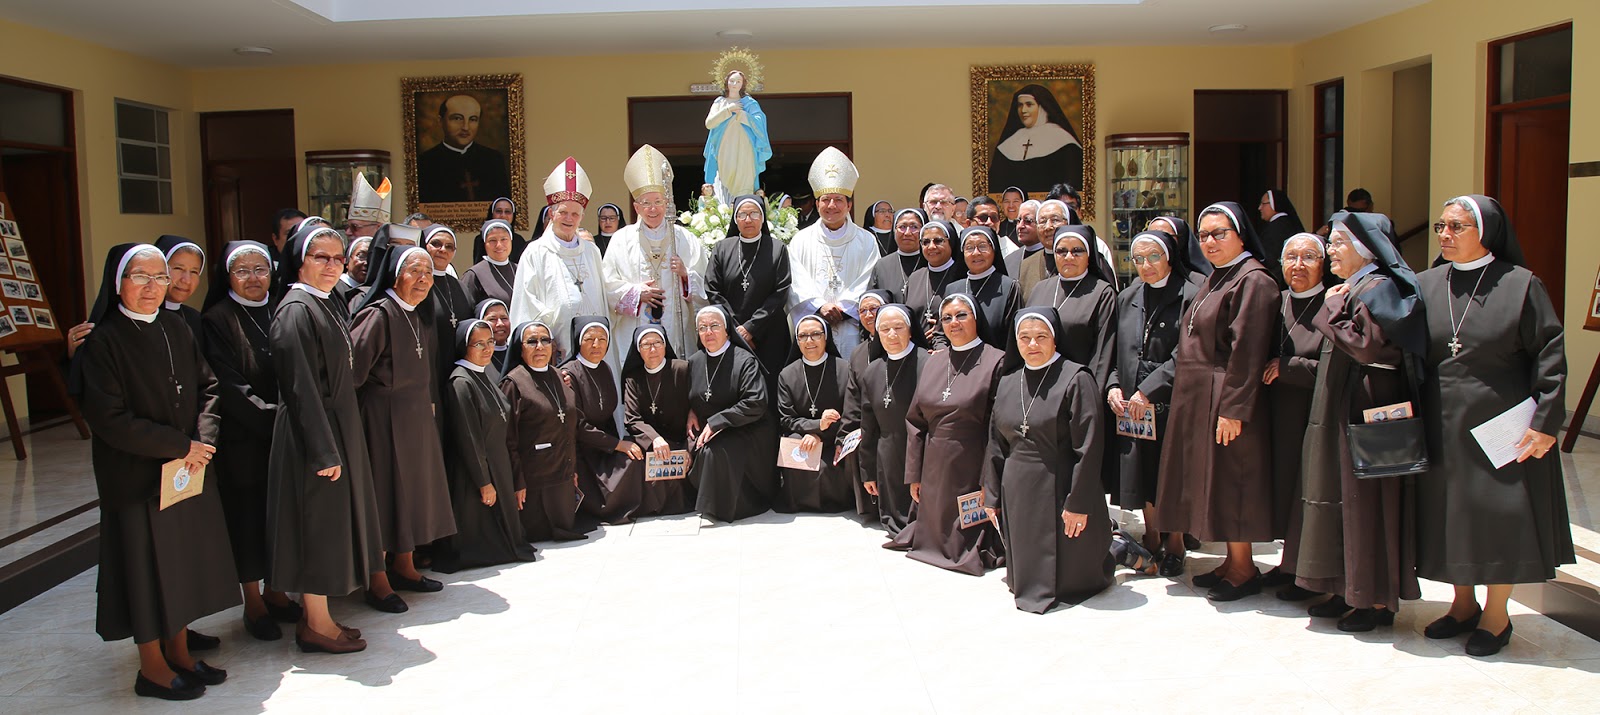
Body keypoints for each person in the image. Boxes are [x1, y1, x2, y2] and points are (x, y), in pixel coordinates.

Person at [79, 243, 239, 699]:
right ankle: (151, 666)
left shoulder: (176, 326)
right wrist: (180, 445)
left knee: (178, 563)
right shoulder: (103, 340)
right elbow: (109, 419)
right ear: (118, 283)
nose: (153, 288)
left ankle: (179, 651)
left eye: (160, 278)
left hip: (184, 471)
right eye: (140, 277)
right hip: (135, 478)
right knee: (144, 572)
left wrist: (204, 441)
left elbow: (209, 385)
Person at [1416, 195, 1572, 657]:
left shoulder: (1521, 284)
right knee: (1450, 514)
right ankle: (1462, 604)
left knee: (1499, 517)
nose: (1444, 234)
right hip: (1441, 418)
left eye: (1456, 226)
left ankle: (1497, 613)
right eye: (1441, 226)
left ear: (1485, 231)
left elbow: (1551, 354)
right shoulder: (1425, 284)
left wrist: (1545, 423)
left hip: (1503, 423)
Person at [1294, 213, 1425, 632]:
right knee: (1337, 494)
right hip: (1342, 400)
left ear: (1365, 247)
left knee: (1369, 502)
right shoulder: (1354, 286)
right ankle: (1344, 588)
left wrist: (1331, 307)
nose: (1329, 251)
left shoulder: (1380, 286)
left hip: (1369, 404)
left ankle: (1375, 599)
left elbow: (1367, 347)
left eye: (1338, 244)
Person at [1155, 202, 1280, 601]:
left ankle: (1244, 568)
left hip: (1226, 397)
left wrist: (1234, 408)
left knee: (1232, 481)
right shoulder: (1218, 276)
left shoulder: (1253, 280)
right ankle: (1229, 561)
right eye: (1204, 234)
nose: (1210, 241)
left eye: (1219, 233)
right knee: (1211, 481)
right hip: (1199, 398)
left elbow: (1248, 351)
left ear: (1241, 234)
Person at [268, 224, 381, 655]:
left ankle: (323, 617)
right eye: (322, 257)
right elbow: (300, 388)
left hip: (335, 429)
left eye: (338, 258)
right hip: (312, 437)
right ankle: (314, 623)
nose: (332, 266)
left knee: (330, 526)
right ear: (300, 260)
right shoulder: (296, 309)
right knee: (315, 527)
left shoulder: (324, 301)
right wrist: (323, 449)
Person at [199, 241, 303, 642]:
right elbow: (227, 385)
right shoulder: (216, 320)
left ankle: (277, 592)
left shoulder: (280, 309)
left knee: (279, 515)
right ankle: (253, 602)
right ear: (228, 275)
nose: (254, 278)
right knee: (246, 520)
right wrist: (275, 418)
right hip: (244, 437)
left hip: (283, 433)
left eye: (261, 269)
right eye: (243, 270)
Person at [983, 307, 1115, 612]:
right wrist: (990, 493)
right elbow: (995, 443)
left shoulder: (1076, 378)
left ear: (1055, 339)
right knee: (1027, 563)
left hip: (1062, 483)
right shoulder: (1008, 380)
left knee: (1070, 572)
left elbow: (1090, 446)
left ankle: (1114, 550)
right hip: (1017, 486)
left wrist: (1078, 503)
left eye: (1041, 337)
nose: (1032, 345)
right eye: (1024, 337)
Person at [350, 246, 456, 613]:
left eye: (429, 273)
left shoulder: (418, 314)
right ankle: (377, 580)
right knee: (383, 495)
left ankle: (405, 566)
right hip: (382, 418)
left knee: (410, 492)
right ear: (396, 274)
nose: (424, 279)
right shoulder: (377, 315)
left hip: (415, 417)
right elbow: (354, 375)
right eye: (415, 271)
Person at [1106, 230, 1201, 574]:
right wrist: (1114, 385)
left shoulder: (1191, 294)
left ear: (1170, 257)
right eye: (1139, 259)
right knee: (1141, 469)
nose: (1146, 266)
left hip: (1170, 402)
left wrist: (1149, 388)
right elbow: (1116, 351)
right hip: (1133, 405)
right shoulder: (1128, 295)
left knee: (1169, 472)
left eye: (1154, 258)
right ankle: (1152, 533)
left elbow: (1187, 353)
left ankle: (1175, 539)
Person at [896, 294, 1006, 574]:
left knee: (967, 534)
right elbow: (915, 421)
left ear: (976, 319)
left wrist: (989, 480)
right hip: (933, 461)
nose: (953, 322)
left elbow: (997, 428)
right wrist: (915, 474)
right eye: (947, 318)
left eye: (961, 315)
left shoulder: (996, 361)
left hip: (972, 460)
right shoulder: (934, 361)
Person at [1261, 233, 1333, 602]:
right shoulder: (1278, 302)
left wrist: (1289, 367)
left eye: (1308, 257)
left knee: (1307, 491)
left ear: (1324, 264)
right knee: (1285, 489)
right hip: (1277, 415)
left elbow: (1336, 366)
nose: (1298, 265)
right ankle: (1289, 563)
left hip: (1313, 415)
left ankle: (1305, 571)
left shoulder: (1332, 305)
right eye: (1290, 257)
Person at [435, 319, 539, 573]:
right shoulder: (461, 382)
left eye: (490, 342)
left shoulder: (481, 375)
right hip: (475, 471)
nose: (487, 349)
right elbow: (467, 438)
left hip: (497, 463)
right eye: (478, 344)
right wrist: (484, 482)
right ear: (464, 346)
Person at [604, 145, 710, 362]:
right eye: (646, 203)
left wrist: (684, 275)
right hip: (635, 328)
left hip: (675, 327)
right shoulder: (621, 240)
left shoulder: (684, 238)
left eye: (658, 202)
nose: (653, 209)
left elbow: (706, 286)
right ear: (636, 207)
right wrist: (635, 294)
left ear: (667, 203)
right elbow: (607, 285)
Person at [687, 305, 778, 524]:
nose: (708, 332)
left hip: (748, 428)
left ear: (727, 330)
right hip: (712, 428)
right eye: (702, 328)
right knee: (694, 447)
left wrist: (718, 422)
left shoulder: (744, 360)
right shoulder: (695, 361)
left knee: (713, 452)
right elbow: (690, 392)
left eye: (714, 326)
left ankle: (726, 507)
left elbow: (756, 401)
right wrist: (689, 410)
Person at [510, 158, 607, 362]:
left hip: (594, 348)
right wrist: (545, 339)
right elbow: (526, 304)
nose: (569, 219)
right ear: (552, 214)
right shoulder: (536, 252)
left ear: (582, 217)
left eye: (575, 214)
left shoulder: (591, 252)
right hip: (554, 347)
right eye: (563, 212)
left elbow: (604, 296)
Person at [786, 147, 877, 360]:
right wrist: (820, 306)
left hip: (852, 327)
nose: (831, 206)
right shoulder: (801, 240)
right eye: (825, 200)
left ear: (849, 205)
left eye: (838, 200)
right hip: (813, 326)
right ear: (817, 204)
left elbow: (870, 278)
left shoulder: (866, 240)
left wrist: (844, 308)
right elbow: (795, 282)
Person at [501, 321, 586, 542]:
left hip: (562, 480)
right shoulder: (514, 383)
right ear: (520, 348)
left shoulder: (560, 376)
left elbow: (569, 427)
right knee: (539, 536)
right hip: (533, 486)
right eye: (531, 341)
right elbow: (507, 440)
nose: (539, 346)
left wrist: (572, 469)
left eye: (545, 340)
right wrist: (517, 481)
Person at [561, 317, 647, 524]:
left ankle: (626, 508)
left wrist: (617, 446)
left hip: (604, 445)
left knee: (634, 457)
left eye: (602, 339)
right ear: (578, 342)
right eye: (590, 339)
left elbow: (607, 415)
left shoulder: (605, 368)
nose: (596, 345)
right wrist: (617, 444)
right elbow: (578, 426)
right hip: (581, 449)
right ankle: (603, 510)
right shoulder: (569, 373)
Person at [706, 194, 793, 393]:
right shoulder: (722, 249)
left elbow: (780, 291)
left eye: (754, 213)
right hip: (730, 332)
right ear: (735, 219)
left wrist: (751, 328)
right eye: (743, 214)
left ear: (762, 218)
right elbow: (712, 289)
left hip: (770, 331)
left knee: (770, 388)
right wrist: (736, 329)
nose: (748, 219)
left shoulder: (777, 249)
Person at [853, 303, 923, 540]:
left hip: (921, 452)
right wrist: (868, 471)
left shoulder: (928, 363)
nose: (891, 335)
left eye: (898, 327)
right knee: (893, 517)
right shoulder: (872, 372)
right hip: (887, 455)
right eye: (884, 329)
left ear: (910, 330)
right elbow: (868, 425)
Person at [775, 315, 854, 513]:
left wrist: (822, 433)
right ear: (797, 341)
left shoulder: (844, 369)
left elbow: (852, 414)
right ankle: (797, 502)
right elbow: (786, 419)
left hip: (835, 437)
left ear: (826, 337)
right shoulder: (787, 374)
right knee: (795, 453)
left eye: (815, 334)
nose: (809, 341)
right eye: (803, 336)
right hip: (802, 436)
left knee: (827, 468)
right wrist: (815, 427)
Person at [1028, 225, 1116, 390]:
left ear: (1089, 254)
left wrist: (1091, 392)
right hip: (1040, 384)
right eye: (1061, 251)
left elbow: (1103, 353)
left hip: (1080, 386)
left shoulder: (1102, 292)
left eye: (1077, 251)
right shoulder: (1040, 289)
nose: (1069, 256)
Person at [621, 326, 697, 517]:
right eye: (646, 344)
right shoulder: (633, 378)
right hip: (651, 442)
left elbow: (697, 403)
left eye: (657, 343)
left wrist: (688, 448)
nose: (652, 349)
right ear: (638, 350)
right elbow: (632, 418)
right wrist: (654, 438)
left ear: (665, 345)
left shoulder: (682, 368)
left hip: (682, 437)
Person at [989, 85, 1084, 193]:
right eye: (1020, 105)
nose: (1023, 110)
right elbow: (996, 186)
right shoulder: (1009, 144)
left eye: (1029, 104)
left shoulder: (1064, 141)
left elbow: (1073, 186)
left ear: (1042, 107)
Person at [417, 93, 510, 203]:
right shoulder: (425, 162)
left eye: (473, 119)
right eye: (457, 118)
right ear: (441, 121)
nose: (466, 127)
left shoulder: (493, 159)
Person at [703, 69, 771, 203]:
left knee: (744, 175)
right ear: (726, 82)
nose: (734, 84)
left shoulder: (749, 103)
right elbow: (709, 123)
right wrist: (728, 110)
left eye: (738, 81)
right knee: (725, 174)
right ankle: (725, 206)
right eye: (732, 80)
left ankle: (743, 204)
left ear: (743, 84)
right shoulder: (720, 102)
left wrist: (743, 115)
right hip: (724, 145)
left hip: (744, 146)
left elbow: (760, 121)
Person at [948, 226, 1021, 348]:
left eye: (982, 246)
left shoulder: (1009, 287)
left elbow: (1013, 335)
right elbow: (941, 332)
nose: (976, 253)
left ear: (994, 250)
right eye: (969, 248)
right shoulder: (952, 289)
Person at [423, 225, 477, 382]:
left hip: (458, 369)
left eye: (449, 246)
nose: (442, 250)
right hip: (430, 366)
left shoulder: (459, 286)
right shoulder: (418, 285)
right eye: (436, 244)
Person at [903, 220, 964, 350]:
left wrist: (943, 328)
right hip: (918, 352)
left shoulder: (961, 275)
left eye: (938, 241)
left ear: (951, 242)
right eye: (925, 242)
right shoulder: (915, 278)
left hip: (951, 350)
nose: (931, 246)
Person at [868, 207, 927, 303]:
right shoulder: (882, 266)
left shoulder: (931, 263)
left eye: (914, 227)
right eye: (902, 227)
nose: (907, 233)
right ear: (894, 230)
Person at [154, 235, 205, 340]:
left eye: (194, 272)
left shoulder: (196, 319)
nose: (186, 280)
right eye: (178, 268)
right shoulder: (142, 318)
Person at [462, 219, 519, 308]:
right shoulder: (474, 275)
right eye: (492, 240)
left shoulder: (520, 269)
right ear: (485, 244)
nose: (499, 245)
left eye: (504, 239)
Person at [1257, 189, 1306, 282]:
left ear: (1274, 204)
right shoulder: (1284, 223)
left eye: (1263, 204)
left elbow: (1270, 259)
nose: (1260, 208)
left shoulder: (1277, 228)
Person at [1148, 215, 1212, 279]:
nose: (1157, 241)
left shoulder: (1200, 281)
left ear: (1181, 239)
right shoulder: (1142, 280)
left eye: (1165, 236)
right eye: (1151, 237)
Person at [470, 197, 529, 264]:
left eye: (507, 212)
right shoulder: (480, 239)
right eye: (498, 211)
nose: (503, 215)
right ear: (492, 213)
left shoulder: (519, 240)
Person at [1003, 199, 1042, 279]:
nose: (1020, 226)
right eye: (1018, 220)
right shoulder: (1009, 260)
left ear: (1040, 223)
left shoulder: (1051, 257)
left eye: (1028, 221)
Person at [476, 298, 513, 377]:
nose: (500, 324)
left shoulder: (518, 354)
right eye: (492, 319)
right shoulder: (476, 359)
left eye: (504, 318)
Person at [334, 235, 372, 307]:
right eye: (361, 256)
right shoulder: (334, 289)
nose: (367, 262)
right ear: (347, 260)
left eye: (373, 257)